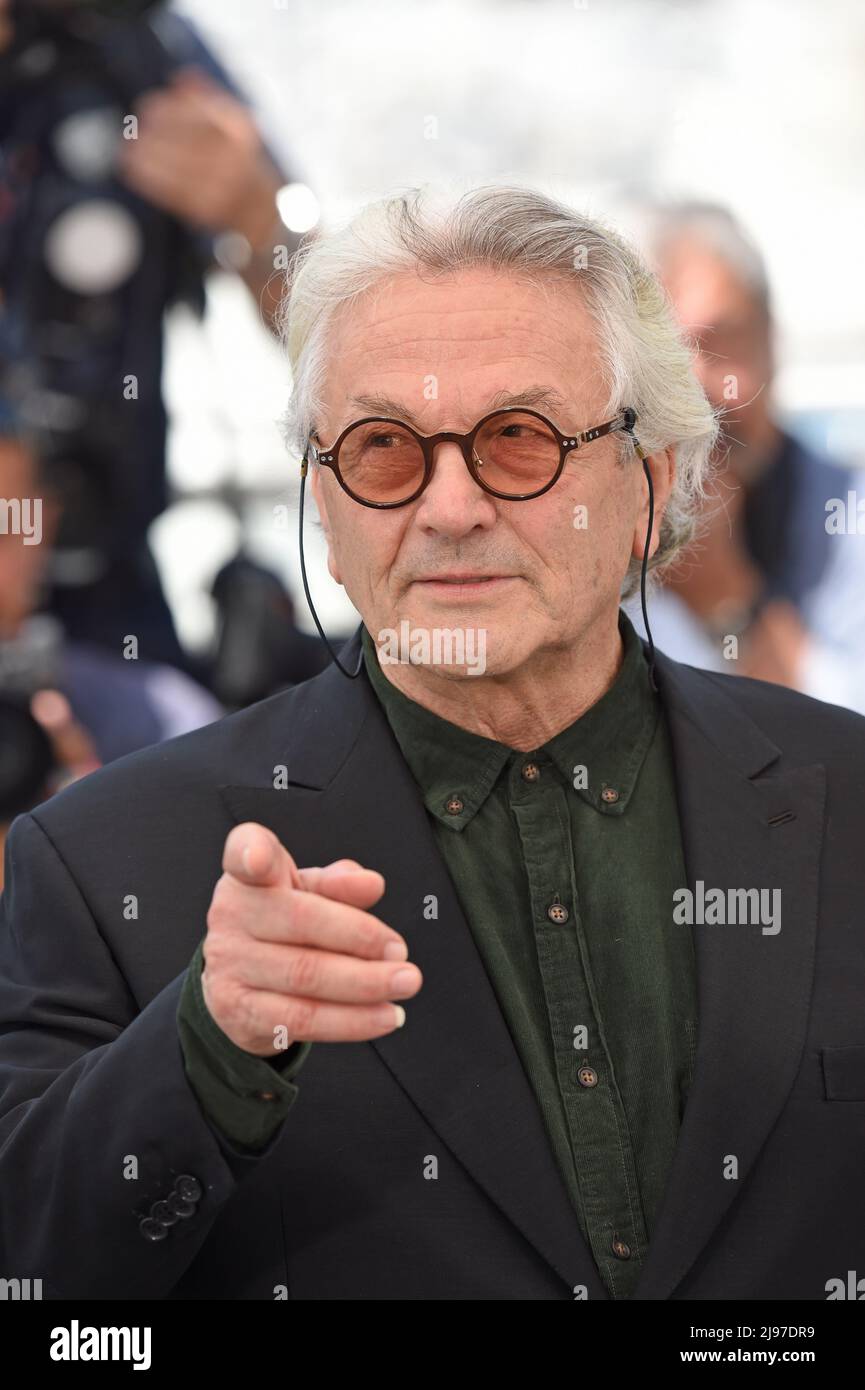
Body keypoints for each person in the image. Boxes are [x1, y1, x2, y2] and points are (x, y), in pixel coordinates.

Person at [0, 185, 863, 1301]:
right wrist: (205, 1050)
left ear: (649, 486)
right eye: (383, 449)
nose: (449, 508)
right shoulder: (105, 860)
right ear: (323, 502)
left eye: (518, 440)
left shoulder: (846, 802)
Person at [624, 201, 865, 710]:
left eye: (720, 342)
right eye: (663, 356)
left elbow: (842, 751)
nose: (695, 388)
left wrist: (724, 597)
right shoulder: (597, 529)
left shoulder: (848, 521)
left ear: (772, 341)